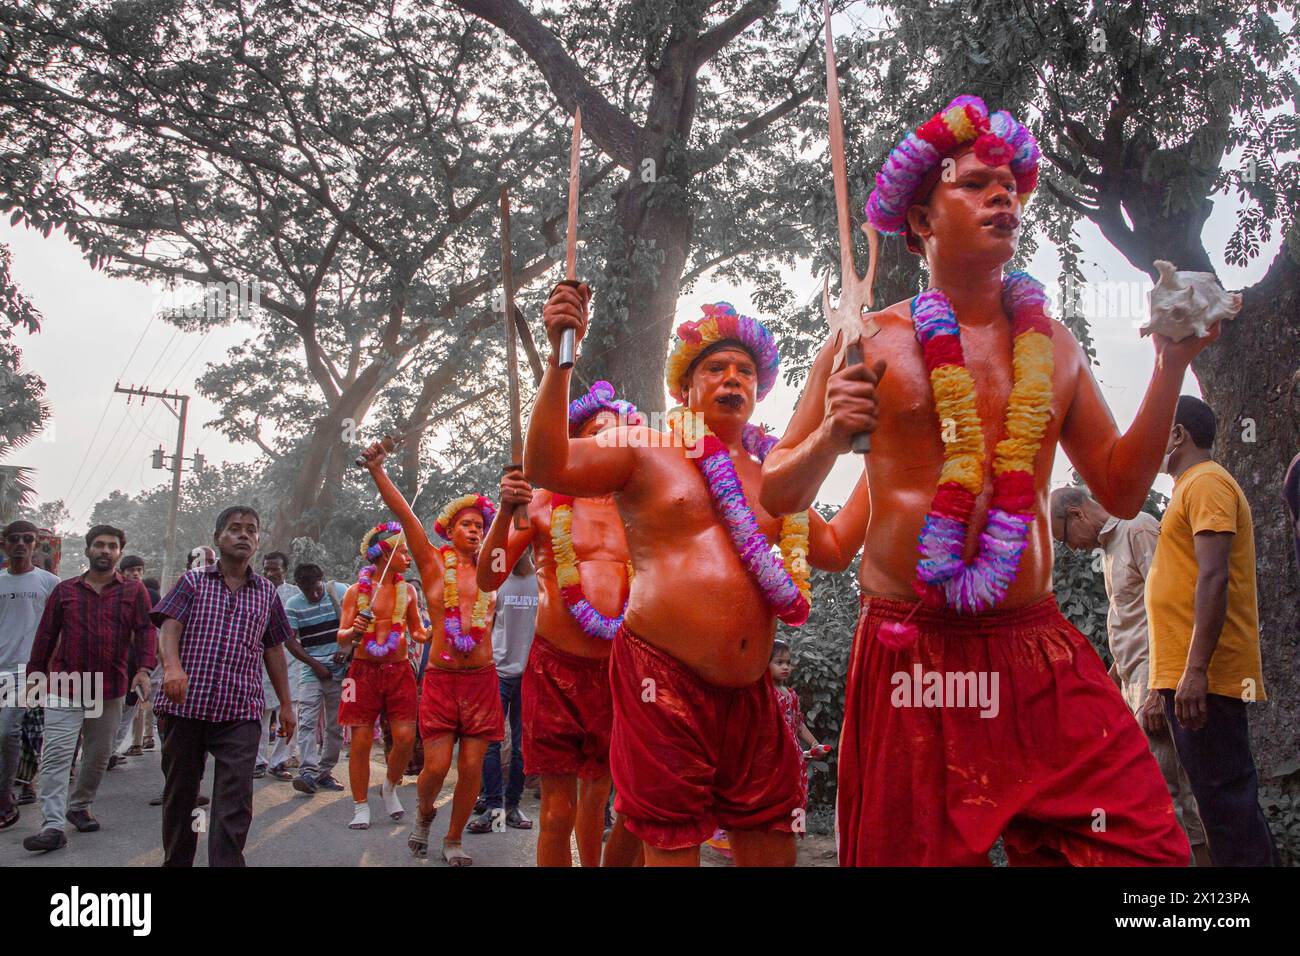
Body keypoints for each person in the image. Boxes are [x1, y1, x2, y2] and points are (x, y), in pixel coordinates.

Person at [761, 95, 1218, 866]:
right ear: (919, 222)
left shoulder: (1057, 344)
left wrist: (1173, 360)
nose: (1002, 196)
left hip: (1034, 649)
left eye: (1009, 186)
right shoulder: (867, 342)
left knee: (1140, 848)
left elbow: (1120, 488)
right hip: (914, 653)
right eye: (975, 185)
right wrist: (833, 435)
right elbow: (776, 493)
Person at [530, 290, 868, 866]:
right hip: (661, 679)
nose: (732, 378)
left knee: (772, 841)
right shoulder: (643, 445)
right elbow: (548, 465)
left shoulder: (773, 474)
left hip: (751, 691)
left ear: (758, 393)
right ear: (684, 387)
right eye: (715, 367)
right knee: (667, 838)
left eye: (745, 371)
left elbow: (834, 549)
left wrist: (885, 465)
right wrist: (562, 358)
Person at [475, 381, 644, 866]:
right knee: (556, 811)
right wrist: (506, 512)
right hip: (554, 672)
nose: (607, 443)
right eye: (595, 434)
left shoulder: (641, 508)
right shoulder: (546, 501)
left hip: (619, 672)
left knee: (600, 805)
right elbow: (489, 578)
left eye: (618, 436)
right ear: (575, 443)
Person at [1143, 395, 1278, 866]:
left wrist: (1195, 670)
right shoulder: (1189, 488)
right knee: (1220, 808)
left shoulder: (1207, 483)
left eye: (1160, 427)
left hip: (1208, 678)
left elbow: (1214, 576)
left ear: (1179, 434)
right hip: (1187, 678)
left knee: (1227, 809)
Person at [360, 441, 504, 866]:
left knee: (474, 767)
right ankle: (425, 813)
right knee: (437, 768)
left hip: (482, 682)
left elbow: (521, 522)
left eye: (480, 525)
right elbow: (405, 515)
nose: (475, 530)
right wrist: (377, 471)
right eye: (466, 524)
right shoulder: (430, 563)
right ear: (449, 529)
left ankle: (454, 839)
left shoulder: (493, 566)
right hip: (442, 679)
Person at [1050, 486, 1210, 864]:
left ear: (1077, 516)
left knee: (1185, 795)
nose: (1070, 548)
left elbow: (1174, 605)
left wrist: (1159, 688)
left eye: (1065, 538)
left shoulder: (1138, 529)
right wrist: (1110, 680)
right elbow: (1130, 622)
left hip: (1160, 681)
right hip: (1136, 683)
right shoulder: (1108, 549)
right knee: (1158, 795)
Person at [152, 506, 296, 867]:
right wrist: (172, 668)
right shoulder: (193, 581)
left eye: (251, 530)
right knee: (182, 797)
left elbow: (274, 647)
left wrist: (287, 704)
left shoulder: (266, 592)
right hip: (185, 704)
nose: (243, 535)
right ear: (218, 537)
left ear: (258, 541)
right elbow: (169, 625)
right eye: (235, 529)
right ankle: (177, 861)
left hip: (240, 710)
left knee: (235, 800)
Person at [22, 525, 155, 852]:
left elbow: (145, 631)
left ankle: (79, 806)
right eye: (99, 545)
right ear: (88, 550)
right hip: (66, 684)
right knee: (56, 754)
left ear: (119, 553)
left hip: (109, 687)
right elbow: (46, 635)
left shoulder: (134, 592)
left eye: (112, 546)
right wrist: (35, 676)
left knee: (97, 756)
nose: (105, 550)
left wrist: (144, 669)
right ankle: (52, 825)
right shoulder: (65, 591)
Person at [335, 524, 426, 830]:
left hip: (399, 670)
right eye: (402, 551)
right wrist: (355, 629)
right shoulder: (354, 592)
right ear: (384, 554)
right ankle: (361, 804)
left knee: (405, 738)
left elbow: (416, 631)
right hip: (362, 673)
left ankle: (389, 786)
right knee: (360, 741)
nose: (408, 556)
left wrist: (433, 630)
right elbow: (342, 638)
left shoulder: (409, 591)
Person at [467, 549, 536, 838]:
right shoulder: (496, 582)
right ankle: (493, 807)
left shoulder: (543, 581)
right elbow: (483, 626)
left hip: (531, 675)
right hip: (498, 672)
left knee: (522, 746)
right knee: (491, 742)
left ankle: (513, 806)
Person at [0, 521, 60, 831]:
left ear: (35, 545)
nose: (21, 544)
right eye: (14, 539)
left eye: (28, 539)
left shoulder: (50, 583)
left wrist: (49, 668)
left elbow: (60, 630)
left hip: (28, 672)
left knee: (8, 732)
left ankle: (4, 799)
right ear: (4, 545)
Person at [284, 563, 348, 794]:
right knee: (308, 720)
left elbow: (359, 621)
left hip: (341, 671)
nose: (313, 594)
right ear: (300, 588)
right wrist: (315, 664)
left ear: (323, 579)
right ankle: (307, 771)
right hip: (311, 671)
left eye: (317, 589)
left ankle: (324, 772)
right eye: (307, 591)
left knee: (336, 724)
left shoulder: (339, 592)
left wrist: (347, 649)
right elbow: (290, 640)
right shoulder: (293, 605)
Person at [109, 555, 159, 765]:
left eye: (139, 569)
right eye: (131, 570)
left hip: (140, 661)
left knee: (131, 705)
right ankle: (104, 751)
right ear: (122, 571)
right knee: (112, 707)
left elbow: (155, 629)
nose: (136, 573)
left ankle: (111, 751)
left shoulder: (151, 596)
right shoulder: (113, 593)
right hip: (114, 659)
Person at [256, 551, 301, 779]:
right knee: (260, 714)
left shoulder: (295, 595)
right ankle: (258, 761)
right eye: (266, 568)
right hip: (260, 662)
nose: (270, 573)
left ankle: (280, 761)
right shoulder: (256, 590)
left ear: (285, 570)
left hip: (290, 662)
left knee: (289, 711)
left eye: (275, 569)